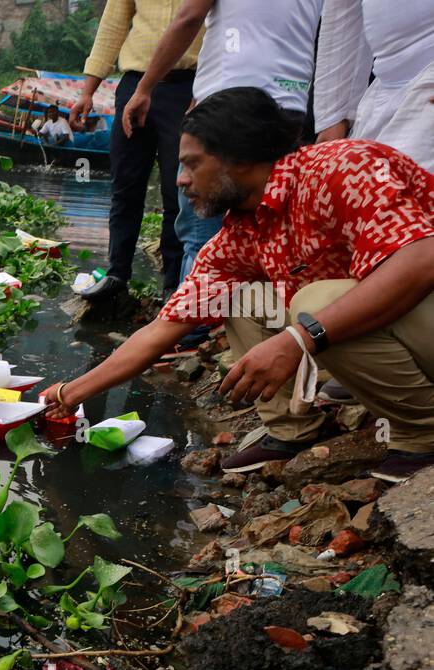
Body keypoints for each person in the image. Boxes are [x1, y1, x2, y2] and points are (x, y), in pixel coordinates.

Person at [42, 88, 434, 484]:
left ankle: (422, 431)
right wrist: (70, 394)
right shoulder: (243, 231)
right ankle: (293, 430)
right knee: (242, 298)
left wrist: (298, 339)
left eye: (192, 165)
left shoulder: (346, 166)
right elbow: (163, 328)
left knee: (315, 303)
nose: (181, 180)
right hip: (391, 334)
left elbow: (421, 260)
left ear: (242, 158)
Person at [120, 0, 324, 279]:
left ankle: (196, 319)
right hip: (290, 107)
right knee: (269, 233)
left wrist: (145, 87)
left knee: (201, 234)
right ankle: (257, 318)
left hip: (230, 106)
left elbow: (189, 17)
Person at [72, 0, 205, 302]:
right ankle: (117, 272)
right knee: (125, 183)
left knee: (179, 188)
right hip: (134, 84)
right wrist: (87, 92)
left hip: (188, 87)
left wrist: (208, 89)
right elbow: (113, 27)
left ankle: (173, 282)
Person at [314, 0, 434, 173]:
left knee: (400, 187)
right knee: (353, 186)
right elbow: (344, 9)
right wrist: (333, 116)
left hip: (429, 83)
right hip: (381, 92)